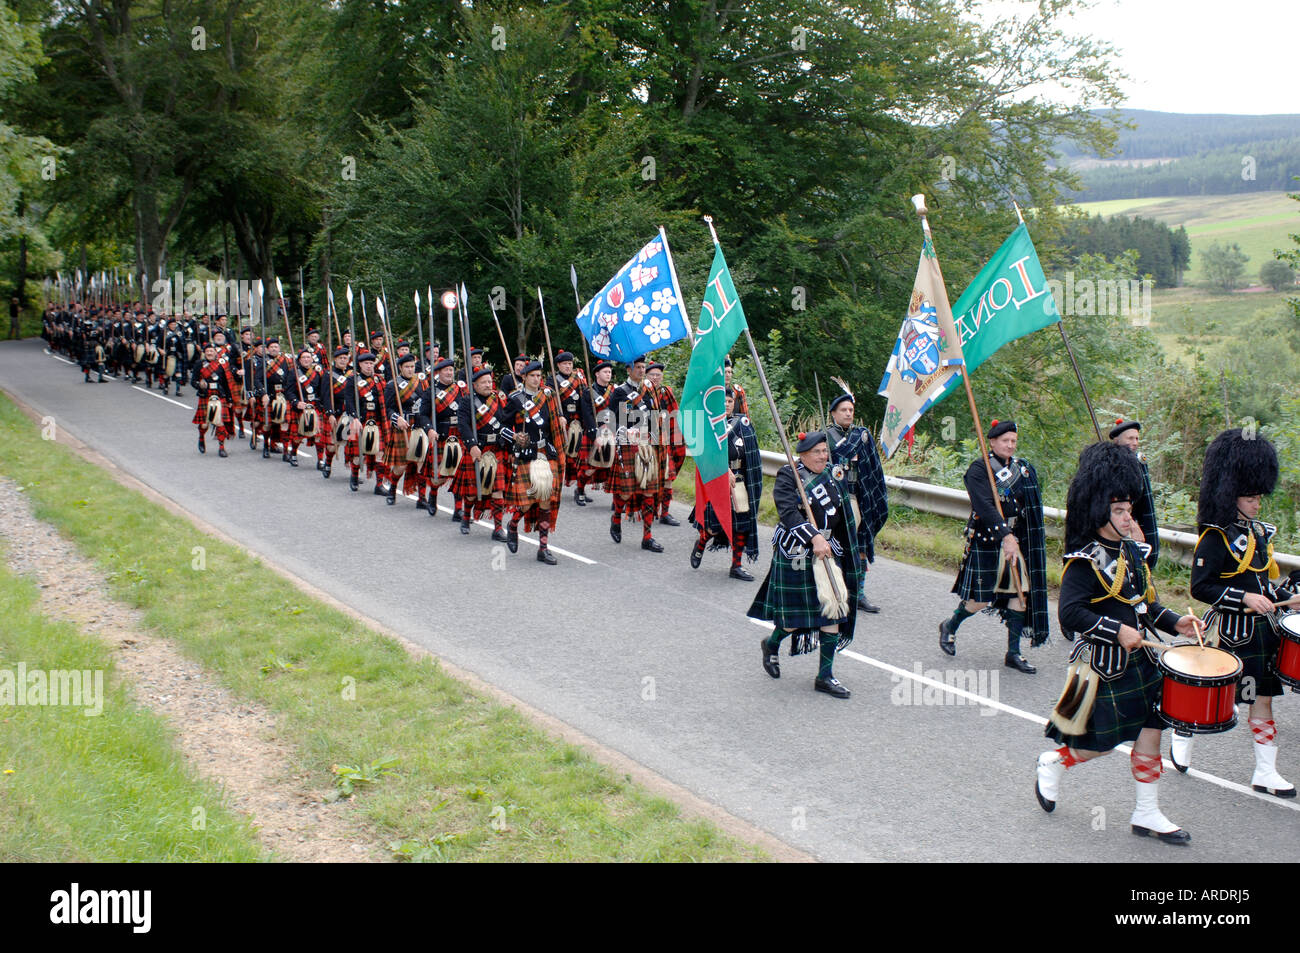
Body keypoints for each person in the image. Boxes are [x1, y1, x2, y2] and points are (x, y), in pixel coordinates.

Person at [1036, 441, 1200, 844]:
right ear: (1100, 511)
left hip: (1141, 661)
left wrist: (1177, 622)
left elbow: (1144, 605)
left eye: (1129, 510)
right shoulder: (1083, 560)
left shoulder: (1131, 551)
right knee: (1101, 744)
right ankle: (1054, 763)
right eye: (1120, 511)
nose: (1129, 518)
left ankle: (1147, 813)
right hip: (1102, 665)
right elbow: (1070, 615)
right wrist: (1117, 630)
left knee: (1151, 731)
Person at [1183, 429, 1300, 795]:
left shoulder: (1259, 533)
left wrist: (1287, 595)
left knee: (1262, 698)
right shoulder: (1215, 537)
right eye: (1250, 498)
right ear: (1231, 496)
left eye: (1258, 497)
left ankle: (1265, 771)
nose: (1256, 504)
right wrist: (1243, 598)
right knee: (1221, 696)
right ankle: (1183, 730)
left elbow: (1263, 583)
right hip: (1234, 632)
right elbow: (1200, 587)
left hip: (1266, 630)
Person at [748, 430, 864, 699]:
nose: (823, 456)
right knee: (796, 618)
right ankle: (772, 643)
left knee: (832, 609)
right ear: (803, 454)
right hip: (797, 551)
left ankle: (825, 676)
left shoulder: (833, 474)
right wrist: (812, 537)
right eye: (817, 452)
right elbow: (787, 512)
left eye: (825, 451)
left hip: (828, 550)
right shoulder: (789, 475)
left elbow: (843, 512)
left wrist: (849, 548)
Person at [938, 419, 1048, 674]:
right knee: (979, 600)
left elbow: (1027, 505)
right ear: (992, 442)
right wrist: (1005, 535)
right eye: (1005, 441)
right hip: (988, 538)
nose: (1010, 445)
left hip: (1014, 540)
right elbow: (984, 506)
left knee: (1019, 594)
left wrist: (1016, 536)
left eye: (1013, 441)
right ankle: (950, 626)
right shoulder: (979, 469)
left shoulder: (1021, 469)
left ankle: (1013, 653)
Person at [826, 387, 888, 613]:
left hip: (859, 497)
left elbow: (873, 469)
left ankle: (858, 594)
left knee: (861, 547)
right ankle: (836, 591)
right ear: (833, 413)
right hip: (835, 500)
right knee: (837, 547)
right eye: (843, 410)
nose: (848, 413)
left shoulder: (862, 436)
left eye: (851, 410)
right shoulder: (825, 438)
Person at [688, 388, 761, 580]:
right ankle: (702, 543)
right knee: (715, 525)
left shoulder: (743, 424)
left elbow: (752, 454)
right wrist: (722, 468)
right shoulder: (710, 425)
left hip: (739, 481)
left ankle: (735, 566)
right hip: (717, 481)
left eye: (729, 401)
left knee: (741, 524)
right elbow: (704, 455)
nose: (726, 404)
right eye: (723, 401)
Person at [497, 361, 564, 564]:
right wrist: (515, 436)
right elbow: (501, 427)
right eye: (532, 375)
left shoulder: (548, 396)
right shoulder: (515, 399)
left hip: (546, 452)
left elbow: (553, 422)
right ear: (524, 377)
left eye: (538, 375)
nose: (536, 379)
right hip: (527, 453)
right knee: (527, 501)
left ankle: (543, 548)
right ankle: (514, 524)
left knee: (546, 500)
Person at [1110, 419, 1159, 568]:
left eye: (1137, 438)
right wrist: (1132, 526)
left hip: (1141, 520)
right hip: (1122, 524)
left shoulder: (1138, 461)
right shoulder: (1113, 464)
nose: (1135, 442)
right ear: (1117, 440)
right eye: (1130, 438)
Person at [190, 342, 237, 457]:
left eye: (211, 351)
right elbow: (193, 381)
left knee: (220, 422)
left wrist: (230, 399)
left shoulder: (222, 364)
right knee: (204, 424)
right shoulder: (199, 364)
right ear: (204, 353)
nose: (210, 353)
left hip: (219, 395)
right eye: (207, 351)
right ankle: (201, 437)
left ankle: (221, 447)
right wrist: (199, 385)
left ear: (215, 352)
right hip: (206, 396)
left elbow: (227, 383)